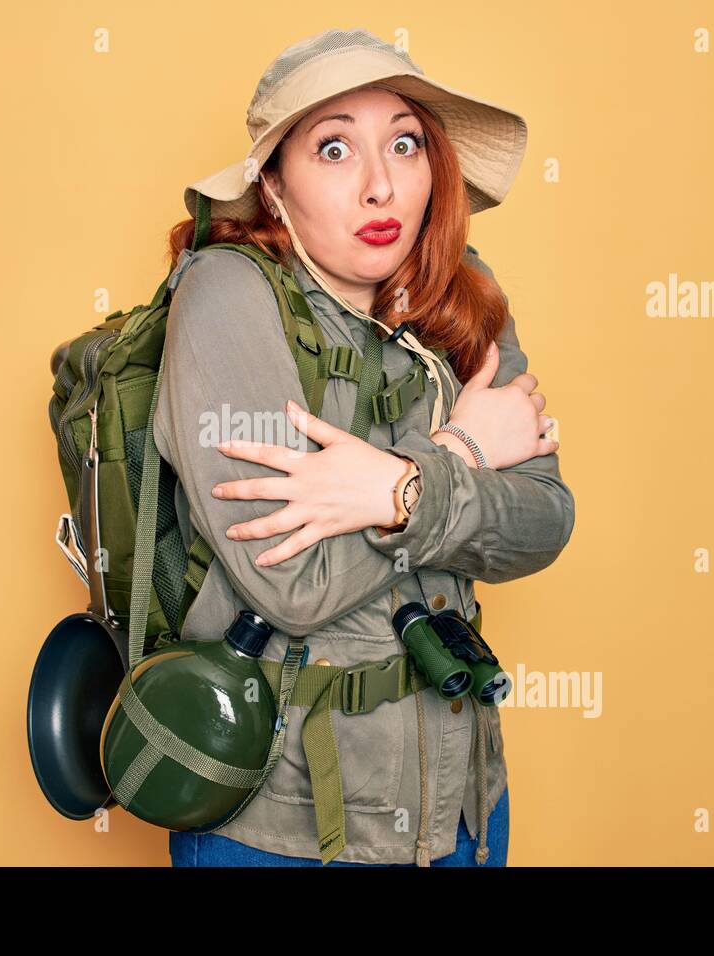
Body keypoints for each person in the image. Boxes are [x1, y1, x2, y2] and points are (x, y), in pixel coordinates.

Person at [151, 28, 575, 867]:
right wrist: (457, 451)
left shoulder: (465, 298)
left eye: (405, 144)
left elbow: (544, 524)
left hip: (460, 812)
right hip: (283, 831)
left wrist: (386, 489)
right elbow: (292, 585)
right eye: (335, 148)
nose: (381, 185)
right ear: (272, 186)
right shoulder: (226, 298)